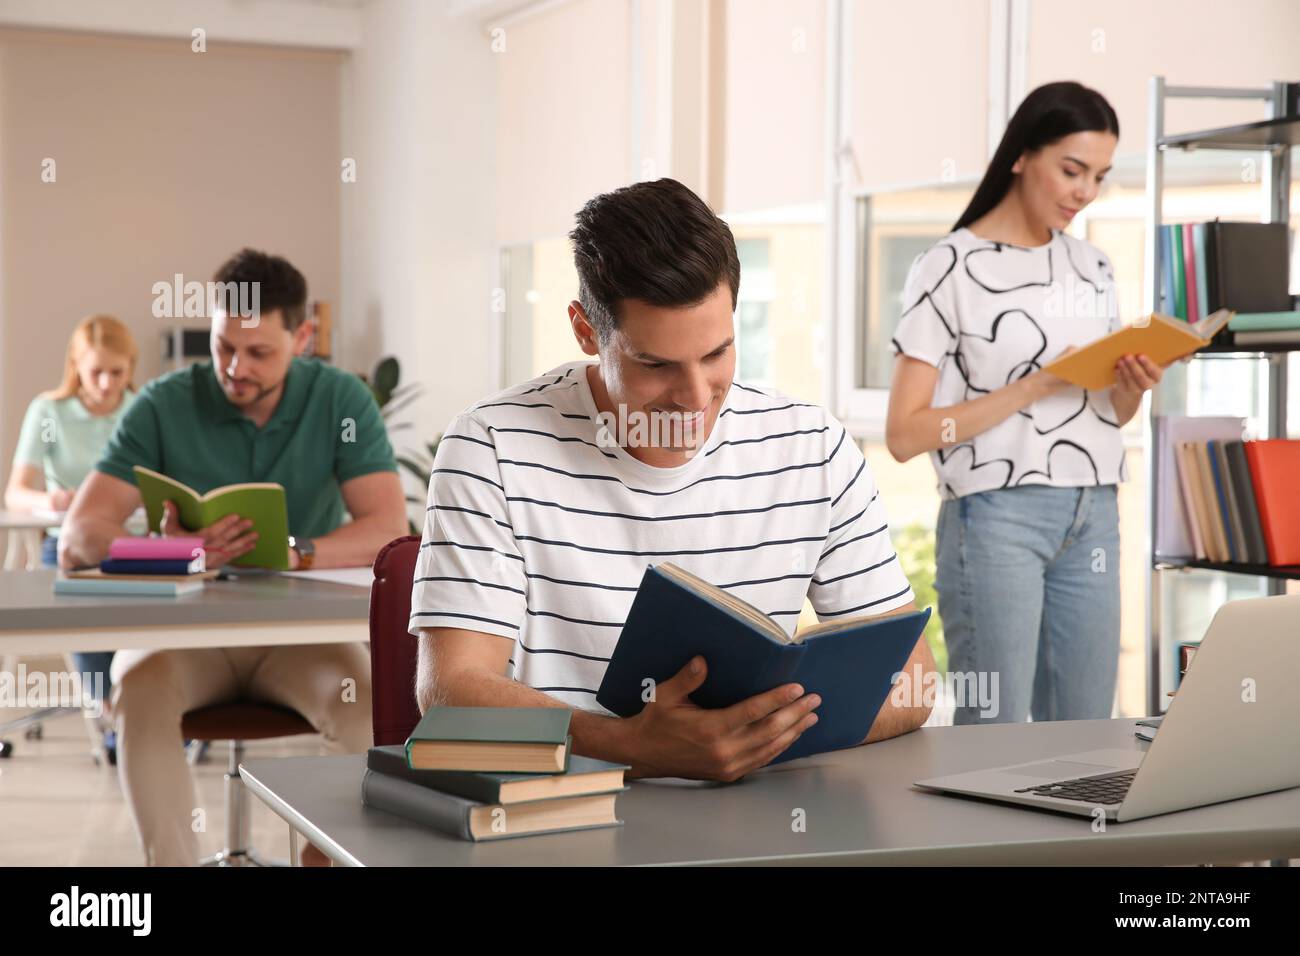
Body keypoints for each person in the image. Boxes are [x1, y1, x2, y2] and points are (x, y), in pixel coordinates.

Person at [411, 178, 934, 783]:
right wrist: (632, 746)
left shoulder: (811, 446)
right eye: (656, 365)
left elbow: (912, 679)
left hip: (757, 816)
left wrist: (747, 742)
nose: (693, 399)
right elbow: (452, 692)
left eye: (717, 355)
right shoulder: (492, 445)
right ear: (586, 331)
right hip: (562, 809)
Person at [60, 248, 407, 865]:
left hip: (298, 639)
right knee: (137, 696)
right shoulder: (164, 402)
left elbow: (388, 528)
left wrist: (296, 553)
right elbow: (81, 534)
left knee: (362, 702)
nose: (234, 367)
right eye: (222, 346)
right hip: (182, 636)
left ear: (301, 338)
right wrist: (164, 550)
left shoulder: (342, 401)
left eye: (258, 352)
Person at [885, 81, 1164, 725]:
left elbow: (1104, 418)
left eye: (1098, 176)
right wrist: (1036, 384)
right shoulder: (946, 267)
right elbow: (905, 433)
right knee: (996, 732)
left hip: (1094, 511)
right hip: (996, 518)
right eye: (1072, 170)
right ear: (1020, 156)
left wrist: (1129, 390)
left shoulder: (1093, 267)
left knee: (1088, 732)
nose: (1084, 192)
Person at [6, 314, 138, 731]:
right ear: (75, 365)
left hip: (137, 543)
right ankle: (111, 710)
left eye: (116, 372)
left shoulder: (142, 410)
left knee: (155, 612)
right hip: (70, 543)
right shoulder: (50, 411)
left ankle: (140, 711)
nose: (105, 383)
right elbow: (16, 492)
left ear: (130, 368)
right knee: (82, 608)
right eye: (96, 371)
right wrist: (52, 499)